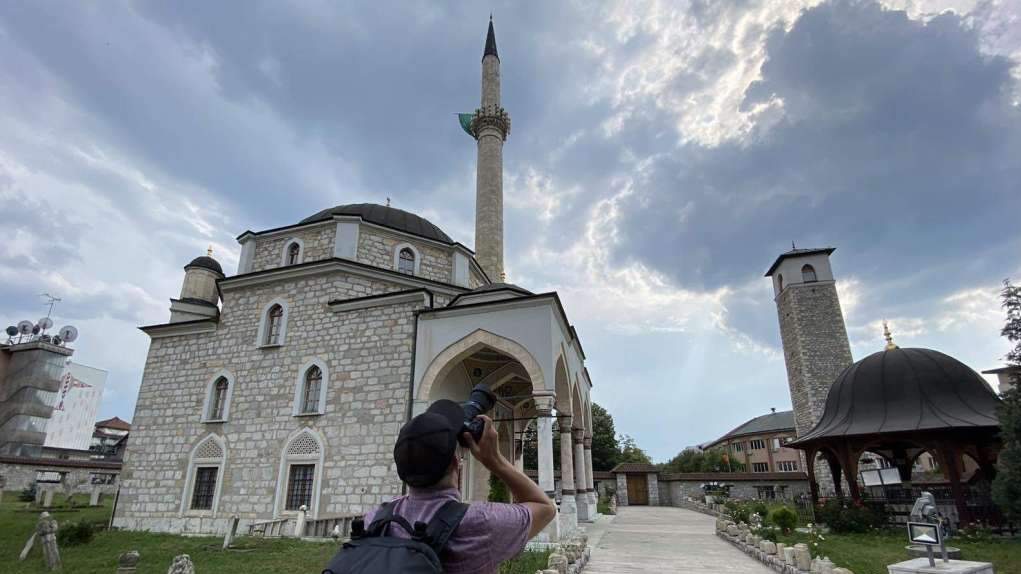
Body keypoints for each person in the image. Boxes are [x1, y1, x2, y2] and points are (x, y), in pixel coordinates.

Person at [363, 399, 557, 574]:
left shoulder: (375, 520)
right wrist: (494, 460)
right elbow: (545, 508)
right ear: (456, 463)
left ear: (402, 471)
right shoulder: (480, 522)